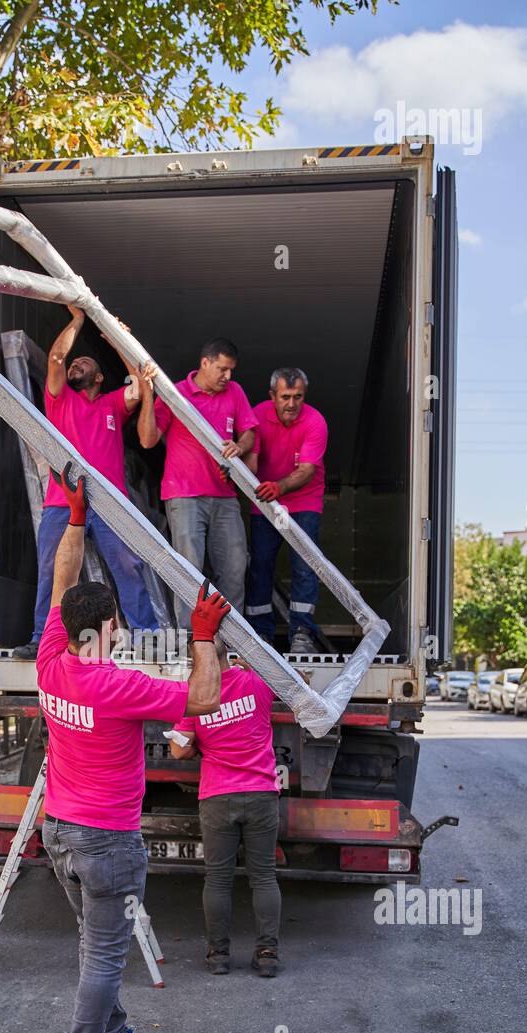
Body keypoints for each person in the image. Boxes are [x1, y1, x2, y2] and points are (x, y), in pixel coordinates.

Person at [38, 463, 229, 1033]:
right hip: (106, 843)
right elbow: (202, 698)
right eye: (117, 620)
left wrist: (75, 518)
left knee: (97, 946)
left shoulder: (52, 659)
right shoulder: (119, 688)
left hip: (60, 833)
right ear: (110, 629)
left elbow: (64, 580)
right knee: (103, 962)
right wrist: (202, 637)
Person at [12, 305, 159, 660]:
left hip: (109, 506)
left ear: (99, 378)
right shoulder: (60, 400)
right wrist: (78, 318)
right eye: (74, 364)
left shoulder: (110, 405)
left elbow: (140, 388)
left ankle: (148, 638)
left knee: (129, 567)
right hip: (63, 502)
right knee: (51, 571)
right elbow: (57, 357)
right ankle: (41, 638)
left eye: (85, 364)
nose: (76, 364)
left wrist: (120, 341)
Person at [169, 639, 282, 977]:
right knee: (263, 877)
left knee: (218, 879)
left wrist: (194, 745)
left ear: (200, 661)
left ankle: (218, 955)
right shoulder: (256, 683)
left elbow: (178, 751)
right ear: (228, 655)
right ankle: (267, 955)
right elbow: (296, 683)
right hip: (262, 793)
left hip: (217, 797)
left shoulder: (197, 699)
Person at [136, 337, 257, 628]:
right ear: (205, 363)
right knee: (189, 567)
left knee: (236, 565)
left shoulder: (235, 392)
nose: (227, 376)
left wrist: (239, 446)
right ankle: (191, 637)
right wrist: (149, 396)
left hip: (225, 497)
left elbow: (250, 432)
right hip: (184, 495)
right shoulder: (176, 394)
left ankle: (233, 639)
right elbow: (147, 439)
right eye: (222, 368)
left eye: (231, 370)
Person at [244, 368, 328, 655]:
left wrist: (278, 487)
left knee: (305, 567)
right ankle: (260, 634)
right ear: (272, 396)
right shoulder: (257, 414)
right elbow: (251, 462)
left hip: (303, 501)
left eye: (298, 397)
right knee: (260, 566)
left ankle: (302, 634)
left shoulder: (315, 422)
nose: (291, 404)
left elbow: (306, 471)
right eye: (285, 397)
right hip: (265, 502)